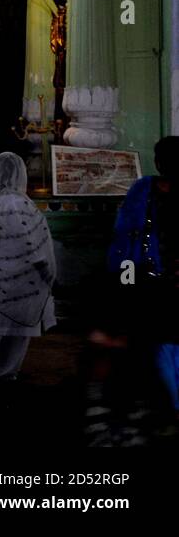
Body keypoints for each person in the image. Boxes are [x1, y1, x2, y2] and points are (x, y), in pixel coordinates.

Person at [106, 135, 179, 422]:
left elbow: (124, 235)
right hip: (165, 279)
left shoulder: (144, 189)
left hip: (153, 279)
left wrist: (121, 280)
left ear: (159, 162)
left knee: (161, 341)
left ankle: (172, 402)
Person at [0, 151, 56, 383]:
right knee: (14, 338)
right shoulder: (20, 204)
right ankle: (6, 376)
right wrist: (48, 275)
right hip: (23, 285)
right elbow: (34, 246)